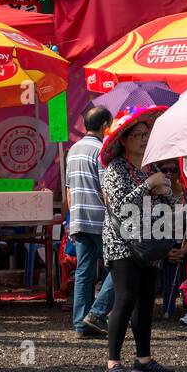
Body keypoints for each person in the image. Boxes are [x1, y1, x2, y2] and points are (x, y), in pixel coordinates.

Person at [100, 106, 177, 372]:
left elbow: (168, 204)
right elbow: (120, 207)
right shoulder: (115, 169)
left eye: (147, 134)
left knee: (146, 301)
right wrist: (149, 186)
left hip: (149, 241)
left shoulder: (151, 167)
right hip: (122, 242)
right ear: (124, 139)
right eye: (139, 135)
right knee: (125, 297)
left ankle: (143, 360)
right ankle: (113, 363)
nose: (145, 139)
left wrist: (166, 191)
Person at [68, 106, 111, 338]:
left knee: (83, 270)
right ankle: (97, 312)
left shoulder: (72, 150)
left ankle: (80, 323)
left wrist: (70, 220)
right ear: (105, 125)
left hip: (78, 216)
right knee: (117, 266)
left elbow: (68, 190)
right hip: (100, 218)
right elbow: (106, 189)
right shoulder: (101, 150)